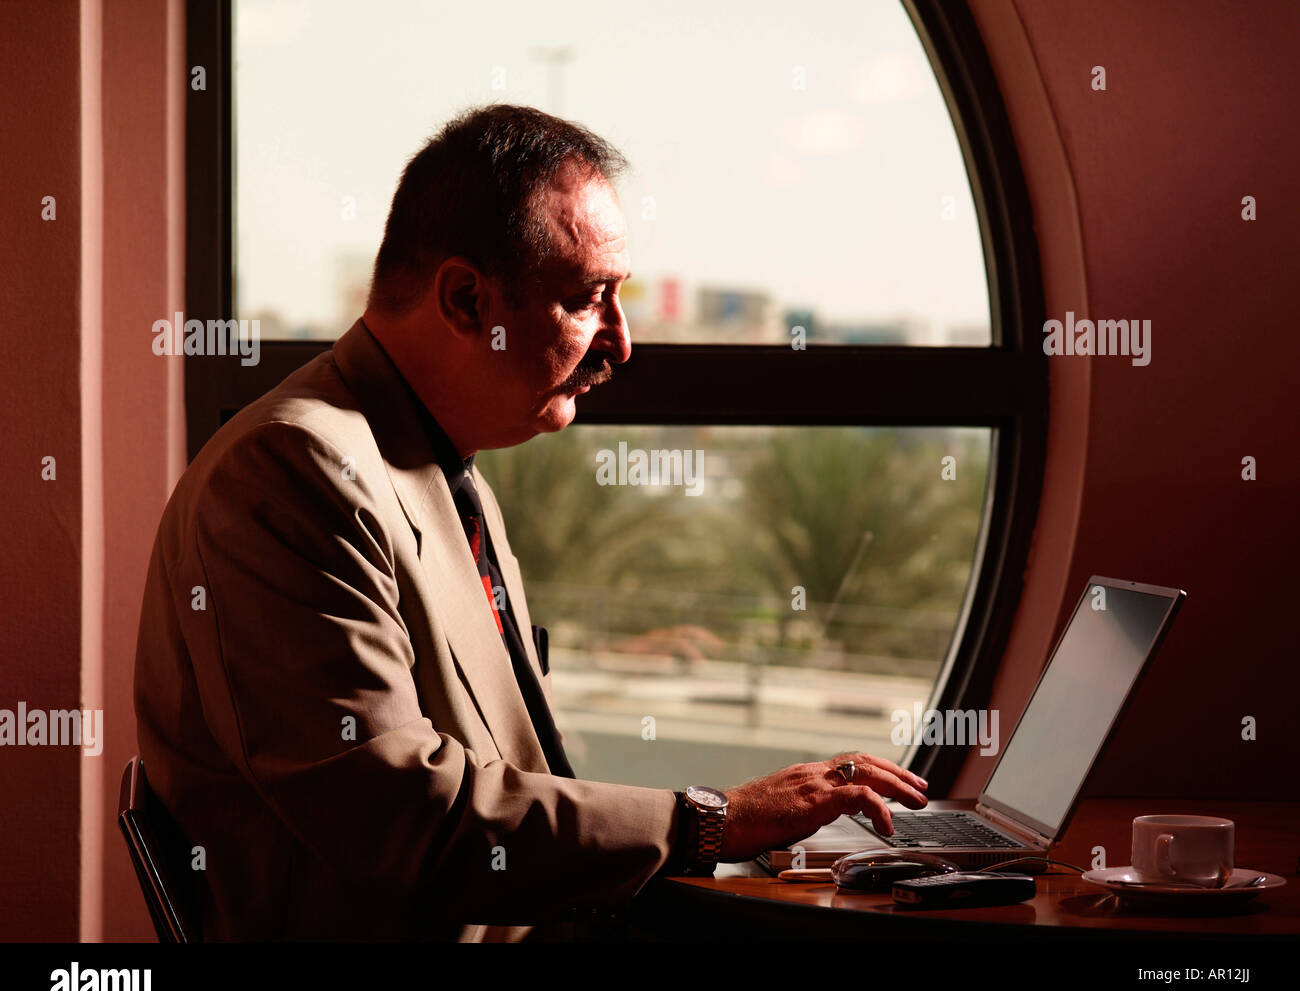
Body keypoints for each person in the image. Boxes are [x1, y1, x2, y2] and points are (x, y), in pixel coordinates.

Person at [133, 103, 928, 942]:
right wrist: (714, 821)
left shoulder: (438, 468)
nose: (621, 343)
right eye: (589, 299)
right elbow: (410, 825)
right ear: (469, 299)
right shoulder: (290, 473)